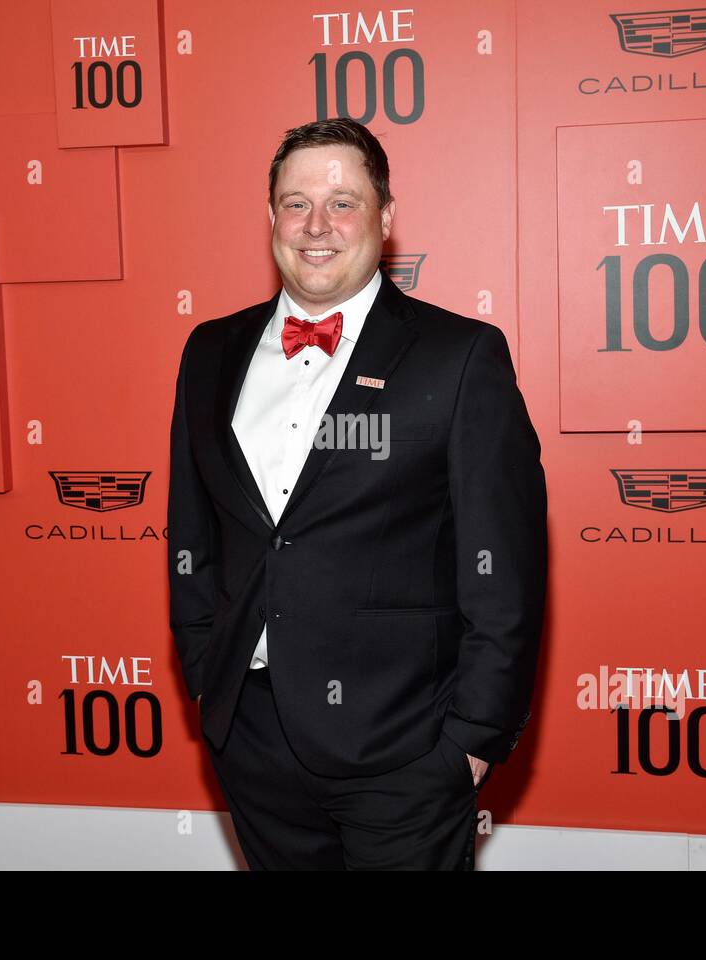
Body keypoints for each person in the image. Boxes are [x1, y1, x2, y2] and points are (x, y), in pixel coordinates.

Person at [167, 117, 547, 870]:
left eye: (343, 202)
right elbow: (192, 532)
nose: (316, 226)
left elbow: (504, 569)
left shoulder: (460, 357)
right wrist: (210, 675)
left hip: (405, 751)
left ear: (386, 218)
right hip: (253, 742)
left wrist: (472, 739)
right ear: (271, 216)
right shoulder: (211, 350)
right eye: (295, 202)